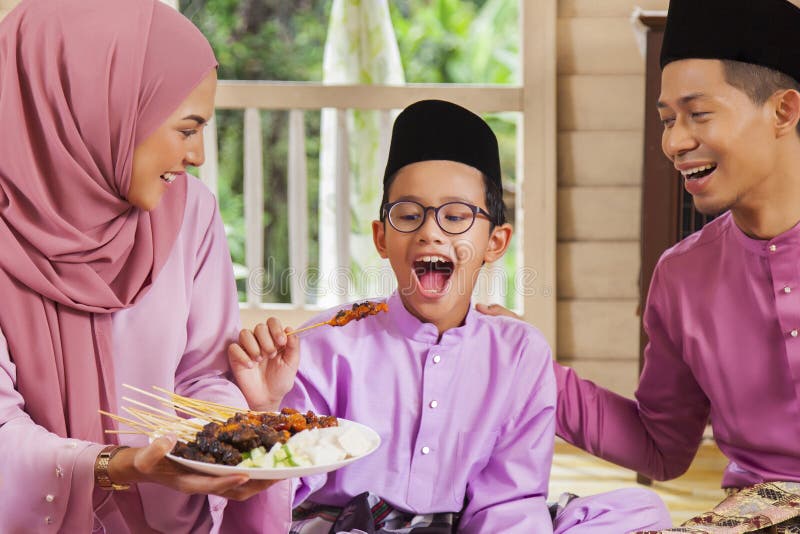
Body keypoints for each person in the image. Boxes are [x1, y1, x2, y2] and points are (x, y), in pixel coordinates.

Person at [228, 99, 672, 533]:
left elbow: (509, 500)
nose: (429, 232)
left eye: (456, 216)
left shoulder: (519, 352)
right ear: (382, 238)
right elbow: (280, 499)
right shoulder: (324, 345)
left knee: (641, 509)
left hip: (466, 524)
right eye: (408, 214)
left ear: (495, 243)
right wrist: (266, 410)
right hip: (346, 526)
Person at [480, 0, 800, 531]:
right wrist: (531, 369)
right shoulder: (683, 275)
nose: (675, 142)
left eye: (698, 114)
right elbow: (662, 445)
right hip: (756, 513)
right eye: (668, 120)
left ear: (783, 112)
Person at [0, 0, 292, 531]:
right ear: (101, 109)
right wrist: (122, 467)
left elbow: (201, 374)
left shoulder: (190, 213)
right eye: (187, 129)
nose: (199, 155)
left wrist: (241, 426)